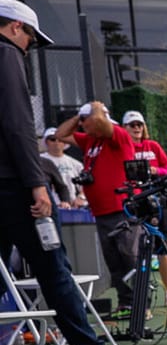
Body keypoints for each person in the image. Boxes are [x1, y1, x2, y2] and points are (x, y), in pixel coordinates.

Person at [0, 0, 149, 345]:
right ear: (17, 28)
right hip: (14, 185)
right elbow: (17, 125)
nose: (30, 47)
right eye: (31, 38)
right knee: (54, 268)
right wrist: (36, 184)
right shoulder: (5, 54)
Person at [54, 100, 143, 316]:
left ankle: (141, 303)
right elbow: (60, 134)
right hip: (102, 211)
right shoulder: (91, 142)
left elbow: (100, 123)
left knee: (129, 256)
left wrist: (95, 109)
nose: (84, 127)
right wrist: (80, 116)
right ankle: (125, 302)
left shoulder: (118, 136)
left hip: (123, 208)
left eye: (88, 123)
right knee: (113, 260)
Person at [124, 110, 167, 307]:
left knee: (162, 249)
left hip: (157, 203)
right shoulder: (123, 147)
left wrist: (155, 171)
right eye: (132, 125)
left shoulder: (153, 146)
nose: (136, 128)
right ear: (125, 128)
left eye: (139, 124)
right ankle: (141, 297)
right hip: (135, 203)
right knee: (137, 251)